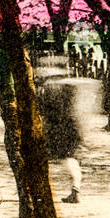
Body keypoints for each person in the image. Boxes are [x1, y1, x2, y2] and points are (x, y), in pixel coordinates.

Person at [36, 66, 85, 203]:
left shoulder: (51, 90)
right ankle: (75, 190)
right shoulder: (70, 88)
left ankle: (41, 191)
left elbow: (44, 110)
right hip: (72, 128)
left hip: (58, 130)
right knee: (71, 159)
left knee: (46, 158)